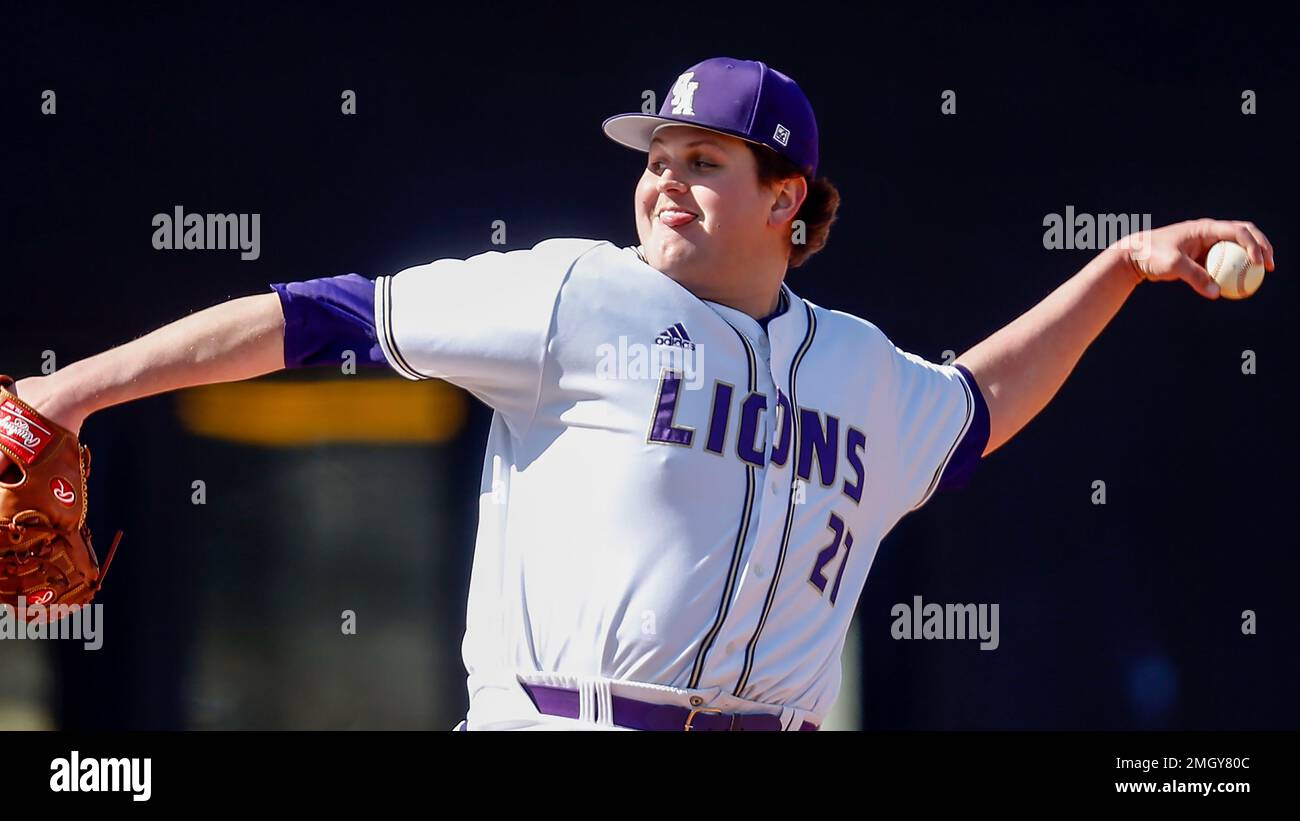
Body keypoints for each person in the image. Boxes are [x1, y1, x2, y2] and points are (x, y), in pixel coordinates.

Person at [0, 57, 1275, 731]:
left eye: (702, 161)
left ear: (790, 201)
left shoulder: (861, 369)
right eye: (655, 158)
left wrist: (1116, 267)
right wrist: (73, 391)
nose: (664, 180)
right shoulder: (571, 292)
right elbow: (314, 312)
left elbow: (977, 406)